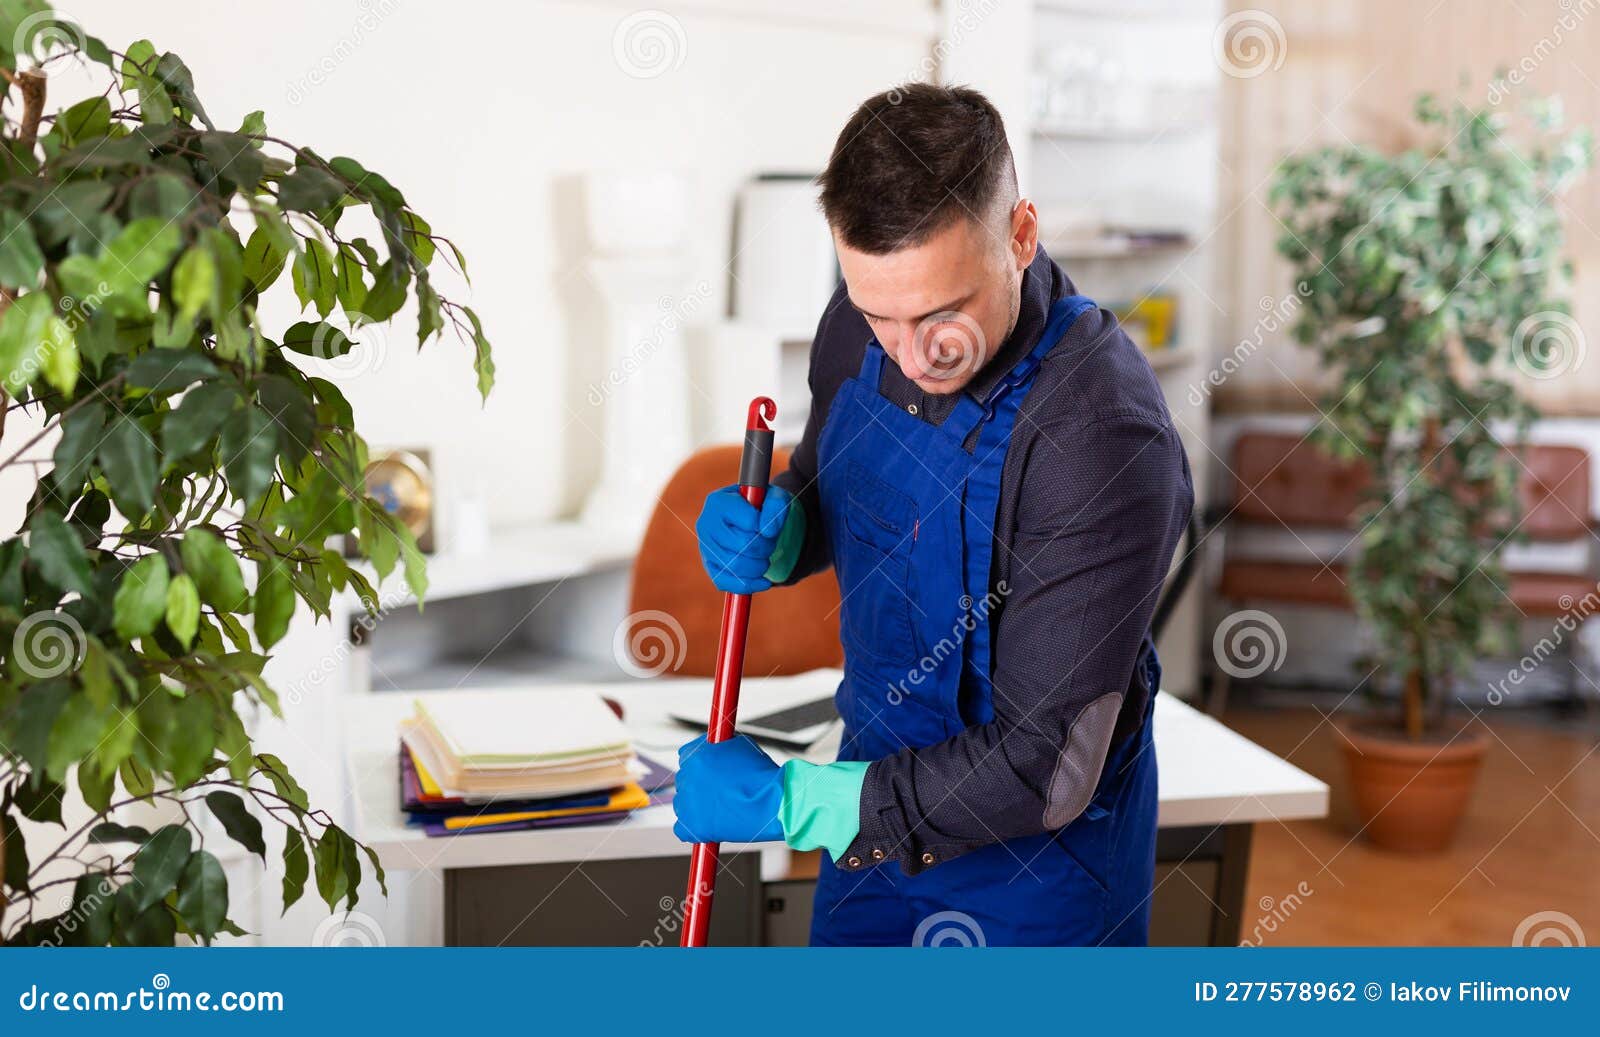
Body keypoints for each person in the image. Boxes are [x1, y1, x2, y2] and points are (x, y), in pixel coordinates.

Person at [672, 83, 1193, 947]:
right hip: (872, 841)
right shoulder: (862, 313)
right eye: (882, 315)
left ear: (1020, 234)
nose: (913, 355)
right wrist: (782, 531)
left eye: (942, 315)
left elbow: (1047, 768)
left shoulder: (1100, 436)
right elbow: (826, 482)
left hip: (1036, 882)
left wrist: (793, 802)